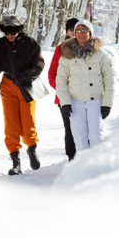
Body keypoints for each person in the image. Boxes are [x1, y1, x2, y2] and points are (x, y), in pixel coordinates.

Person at [55, 19, 115, 152]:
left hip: (95, 102)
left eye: (84, 30)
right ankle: (83, 165)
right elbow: (61, 81)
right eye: (78, 31)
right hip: (75, 103)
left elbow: (109, 80)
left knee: (96, 138)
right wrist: (65, 103)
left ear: (90, 33)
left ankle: (97, 164)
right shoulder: (66, 55)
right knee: (80, 139)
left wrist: (107, 104)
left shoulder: (101, 55)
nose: (81, 34)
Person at [0, 15, 44, 175]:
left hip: (26, 85)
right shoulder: (0, 44)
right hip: (7, 85)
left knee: (28, 120)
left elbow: (39, 64)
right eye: (7, 32)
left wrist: (25, 76)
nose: (10, 35)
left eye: (13, 31)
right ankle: (15, 162)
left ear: (19, 30)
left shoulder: (30, 44)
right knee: (11, 123)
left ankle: (32, 148)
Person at [48, 17, 79, 161]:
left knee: (84, 128)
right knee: (70, 129)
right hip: (64, 98)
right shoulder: (60, 49)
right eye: (71, 30)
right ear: (67, 31)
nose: (74, 33)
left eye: (77, 29)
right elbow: (52, 74)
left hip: (83, 96)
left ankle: (84, 157)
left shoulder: (86, 47)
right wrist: (62, 89)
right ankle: (72, 159)